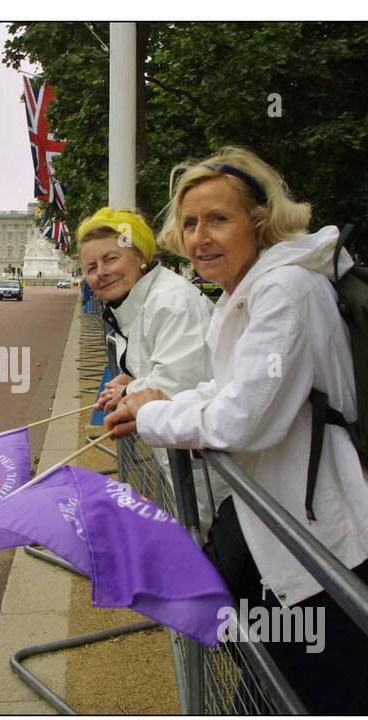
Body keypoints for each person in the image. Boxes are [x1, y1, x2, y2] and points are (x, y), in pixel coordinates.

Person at [104, 146, 368, 715]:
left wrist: (152, 415)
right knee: (275, 689)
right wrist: (166, 398)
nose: (199, 237)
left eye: (218, 219)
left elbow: (244, 418)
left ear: (259, 221)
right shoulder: (252, 291)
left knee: (319, 701)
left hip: (328, 538)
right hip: (294, 524)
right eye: (189, 223)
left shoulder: (285, 290)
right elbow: (229, 388)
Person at [77, 207, 226, 530]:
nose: (100, 272)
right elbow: (162, 365)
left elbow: (175, 387)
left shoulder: (170, 302)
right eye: (91, 266)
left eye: (111, 259)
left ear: (139, 256)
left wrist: (129, 390)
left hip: (219, 485)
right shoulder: (140, 302)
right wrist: (132, 379)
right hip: (194, 473)